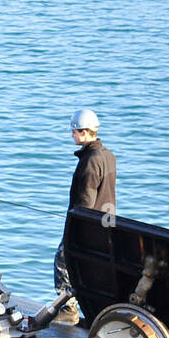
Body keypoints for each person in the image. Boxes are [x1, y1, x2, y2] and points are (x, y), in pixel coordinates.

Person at [53, 108, 117, 325]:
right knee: (93, 269)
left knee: (63, 260)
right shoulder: (108, 156)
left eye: (74, 131)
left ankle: (68, 307)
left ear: (84, 132)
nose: (72, 135)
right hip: (106, 222)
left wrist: (75, 229)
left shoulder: (89, 161)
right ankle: (99, 311)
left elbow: (84, 201)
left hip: (87, 224)